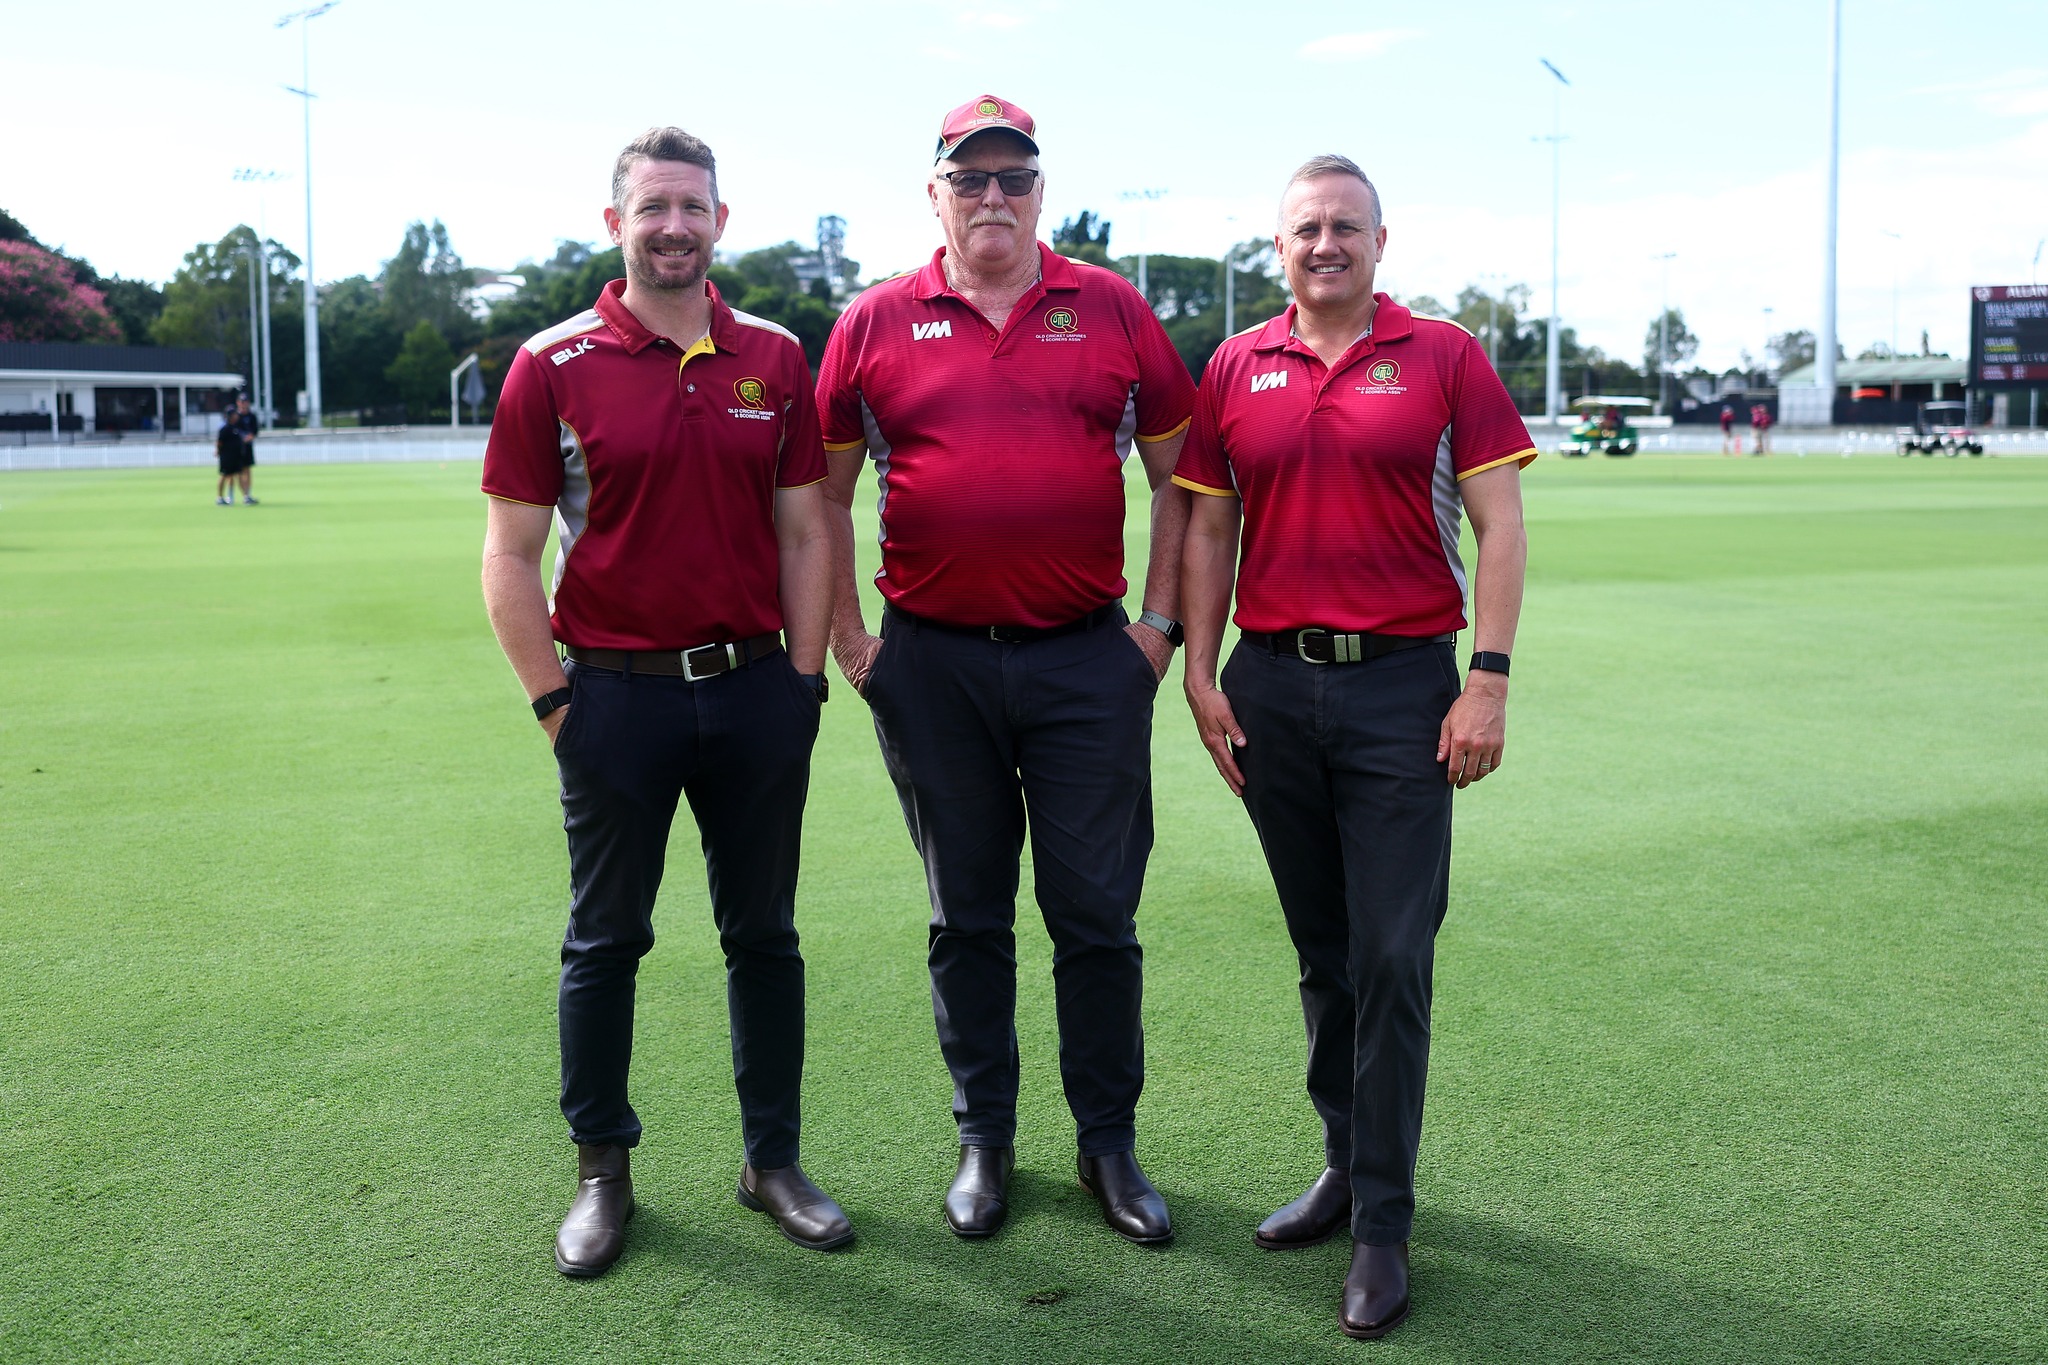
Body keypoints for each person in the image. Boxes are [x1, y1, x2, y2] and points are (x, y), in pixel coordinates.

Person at [815, 94, 1197, 1244]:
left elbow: (1182, 481)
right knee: (965, 917)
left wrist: (1158, 630)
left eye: (1013, 178)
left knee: (1093, 914)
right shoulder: (874, 320)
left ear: (1043, 192)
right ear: (932, 192)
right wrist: (849, 641)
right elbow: (821, 499)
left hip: (1087, 663)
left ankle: (1106, 1147)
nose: (993, 197)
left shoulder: (1112, 307)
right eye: (968, 178)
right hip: (928, 665)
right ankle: (984, 1139)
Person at [1175, 155, 1532, 1341]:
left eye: (1344, 227)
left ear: (1382, 240)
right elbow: (1210, 523)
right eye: (1303, 229)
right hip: (1272, 689)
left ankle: (1382, 1221)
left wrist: (1484, 681)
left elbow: (1496, 522)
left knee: (1390, 956)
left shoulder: (1441, 356)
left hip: (1398, 693)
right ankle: (1339, 1166)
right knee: (1323, 953)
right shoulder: (1235, 363)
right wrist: (1197, 668)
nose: (1323, 244)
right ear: (1276, 248)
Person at [480, 126, 846, 1279]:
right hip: (614, 701)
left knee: (764, 937)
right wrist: (555, 706)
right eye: (652, 209)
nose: (673, 227)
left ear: (719, 222)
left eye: (692, 207)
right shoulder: (554, 361)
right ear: (615, 224)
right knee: (604, 941)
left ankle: (771, 1162)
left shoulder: (774, 358)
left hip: (751, 691)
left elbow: (805, 528)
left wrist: (798, 678)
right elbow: (509, 556)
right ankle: (602, 1175)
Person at [230, 396, 259, 504]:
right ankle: (242, 494)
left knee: (247, 470)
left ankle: (248, 494)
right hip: (237, 448)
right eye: (242, 402)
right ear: (238, 403)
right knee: (238, 472)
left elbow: (255, 431)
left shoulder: (252, 416)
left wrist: (248, 438)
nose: (244, 404)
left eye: (245, 401)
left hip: (247, 447)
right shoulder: (235, 416)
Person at [214, 415, 244, 505]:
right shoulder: (224, 429)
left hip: (235, 456)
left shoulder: (236, 427)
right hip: (226, 456)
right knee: (224, 475)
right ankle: (219, 497)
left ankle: (230, 497)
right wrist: (218, 451)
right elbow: (219, 442)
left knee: (232, 476)